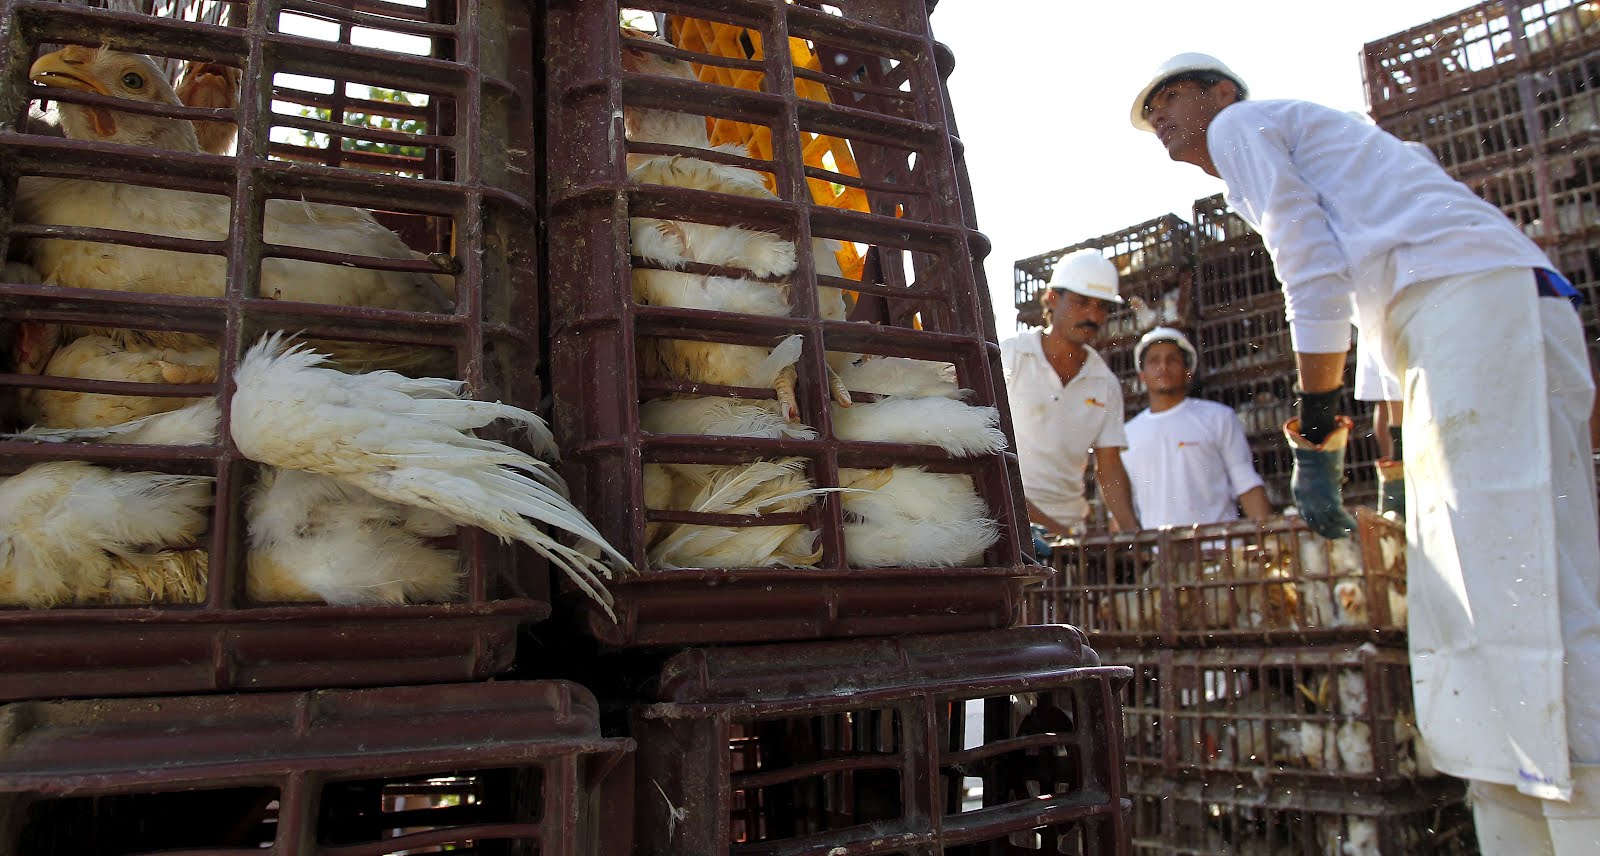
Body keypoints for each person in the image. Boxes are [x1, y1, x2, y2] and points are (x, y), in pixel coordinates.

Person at [1131, 52, 1600, 852]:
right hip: (1461, 314)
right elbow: (1375, 312)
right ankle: (1519, 808)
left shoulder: (1244, 126)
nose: (1162, 118)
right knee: (1467, 581)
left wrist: (1317, 427)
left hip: (1477, 307)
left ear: (1222, 93)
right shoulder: (1340, 158)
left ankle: (1580, 801)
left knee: (1521, 570)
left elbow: (1310, 270)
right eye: (1152, 114)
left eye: (1172, 96)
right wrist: (1395, 471)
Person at [1000, 248, 1139, 536]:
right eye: (1081, 302)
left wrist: (1132, 534)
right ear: (1052, 298)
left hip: (1070, 533)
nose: (1093, 315)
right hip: (1006, 519)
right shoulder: (1010, 355)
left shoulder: (1105, 383)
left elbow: (1109, 464)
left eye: (1102, 307)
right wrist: (1045, 525)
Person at [1121, 326, 1271, 528]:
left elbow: (1245, 482)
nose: (1163, 367)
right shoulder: (1127, 434)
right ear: (1142, 376)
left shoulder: (1218, 418)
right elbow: (1123, 508)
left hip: (1219, 544)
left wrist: (1267, 536)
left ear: (1188, 372)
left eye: (1172, 360)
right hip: (1161, 547)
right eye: (1154, 361)